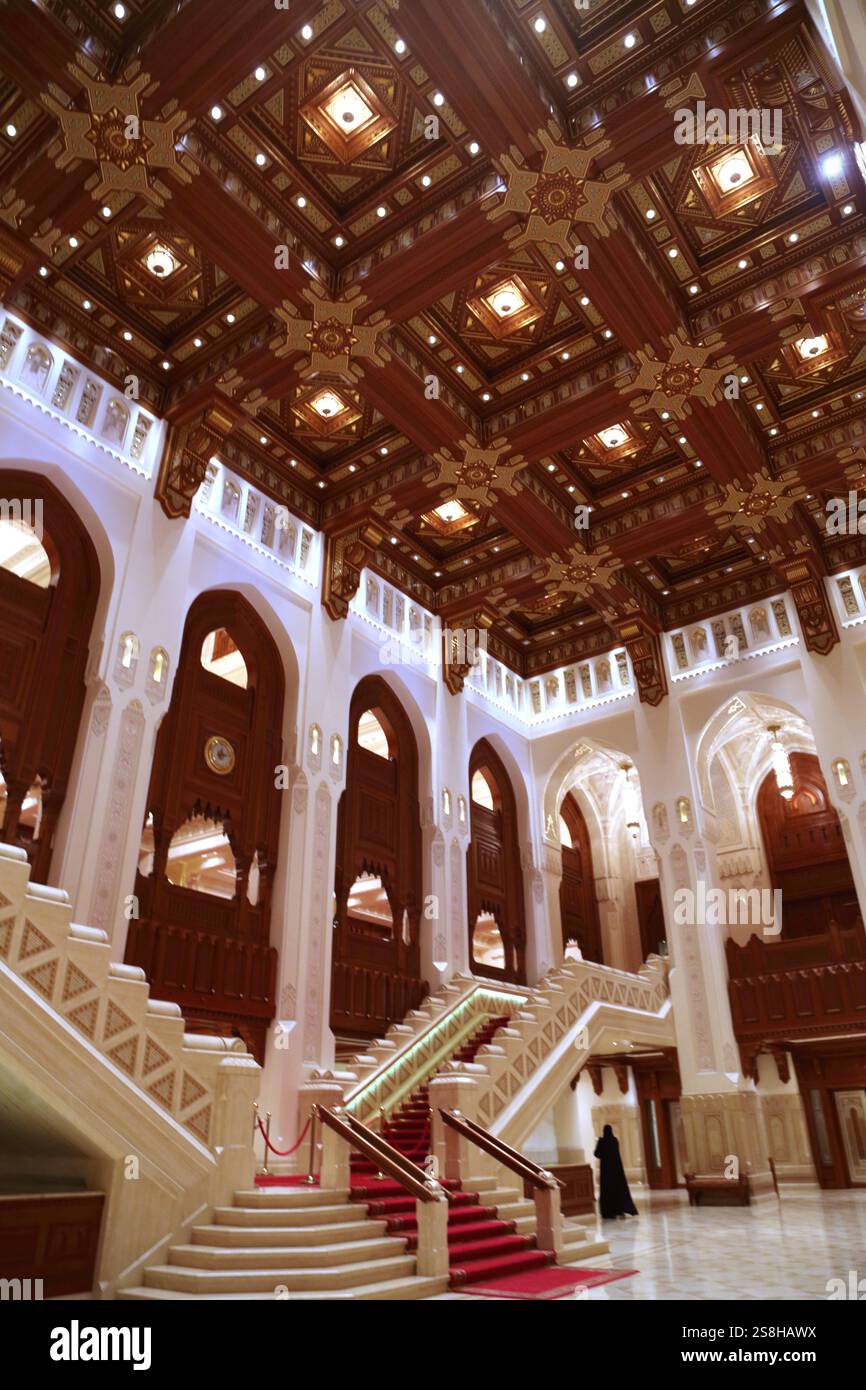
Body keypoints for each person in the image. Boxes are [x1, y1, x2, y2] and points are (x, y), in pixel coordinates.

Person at [594, 1123, 638, 1219]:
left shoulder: (601, 1141)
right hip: (616, 1170)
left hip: (606, 1171)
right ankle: (619, 1210)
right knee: (618, 1190)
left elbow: (596, 1154)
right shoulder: (614, 1140)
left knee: (607, 1191)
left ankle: (608, 1212)